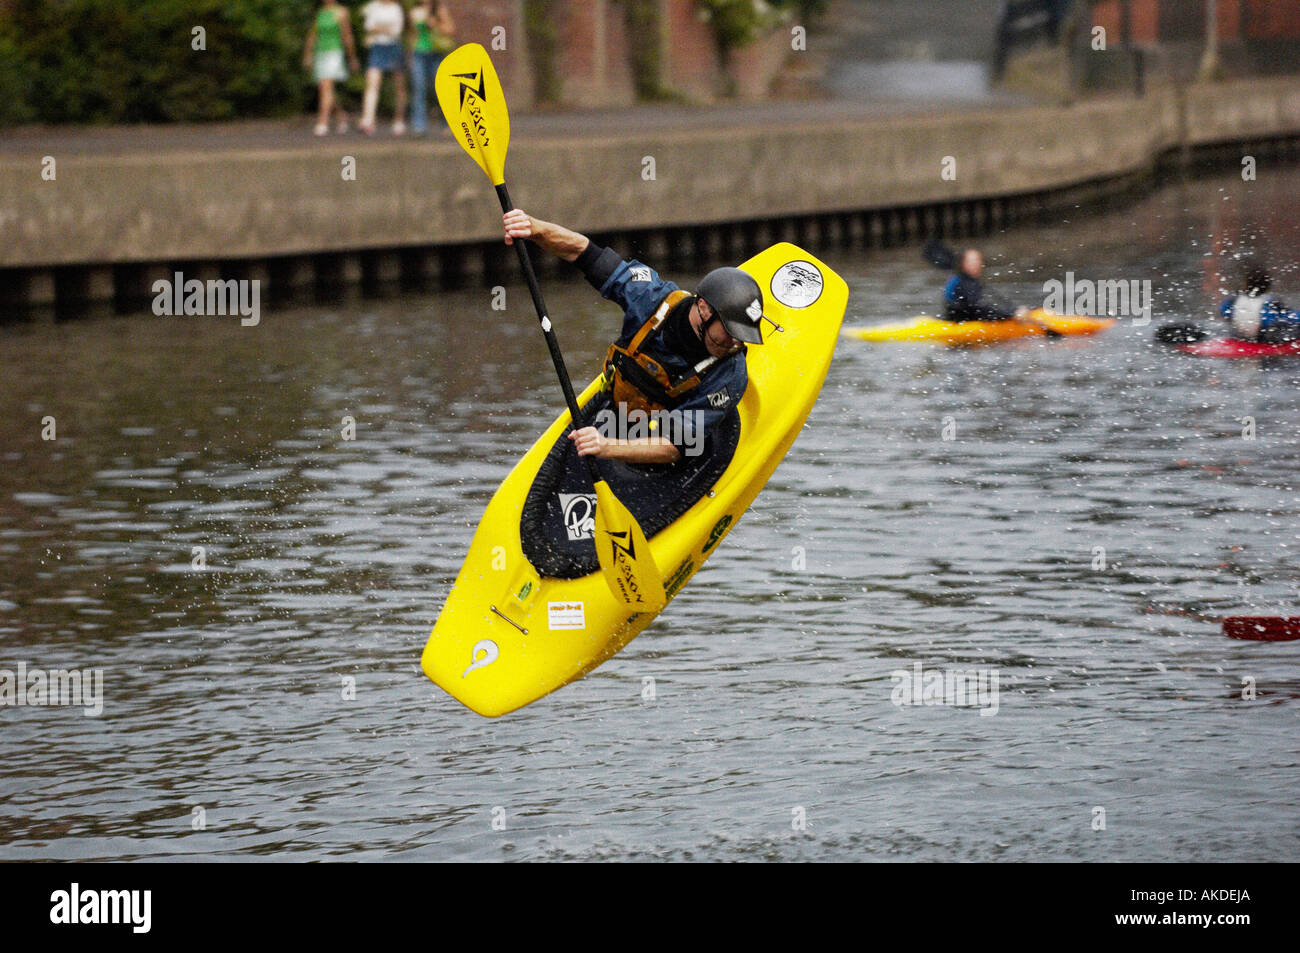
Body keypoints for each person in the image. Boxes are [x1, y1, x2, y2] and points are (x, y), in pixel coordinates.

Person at [502, 209, 768, 465]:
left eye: (743, 336)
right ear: (704, 309)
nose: (738, 344)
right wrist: (535, 228)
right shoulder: (649, 297)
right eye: (732, 332)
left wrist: (606, 447)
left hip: (676, 455)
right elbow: (584, 253)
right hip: (617, 415)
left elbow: (676, 446)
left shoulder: (730, 374)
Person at [303, 0, 361, 137]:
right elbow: (313, 34)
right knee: (325, 89)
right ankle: (341, 117)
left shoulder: (341, 12)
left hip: (334, 52)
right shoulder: (321, 13)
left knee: (326, 86)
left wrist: (352, 57)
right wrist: (308, 54)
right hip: (320, 52)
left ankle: (322, 122)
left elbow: (347, 35)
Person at [1219, 262, 1300, 343]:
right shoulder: (1269, 301)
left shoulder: (1234, 300)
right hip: (1263, 340)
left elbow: (1224, 311)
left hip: (1238, 337)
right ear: (1267, 285)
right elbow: (1284, 318)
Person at [359, 0, 408, 136]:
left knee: (398, 86)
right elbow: (368, 26)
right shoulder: (374, 6)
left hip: (394, 48)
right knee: (372, 84)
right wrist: (385, 28)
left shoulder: (397, 8)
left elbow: (396, 31)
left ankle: (399, 120)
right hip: (377, 48)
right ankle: (368, 120)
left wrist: (379, 28)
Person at [943, 248, 1029, 323]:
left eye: (977, 260)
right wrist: (1010, 315)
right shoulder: (965, 284)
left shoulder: (968, 280)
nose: (975, 264)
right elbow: (978, 309)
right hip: (961, 323)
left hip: (962, 319)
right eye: (971, 261)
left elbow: (998, 300)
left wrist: (1014, 309)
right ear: (962, 264)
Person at [409, 1, 456, 137]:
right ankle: (419, 126)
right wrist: (411, 56)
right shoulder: (415, 12)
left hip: (436, 54)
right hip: (419, 53)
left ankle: (447, 124)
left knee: (440, 90)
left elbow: (451, 30)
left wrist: (435, 24)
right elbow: (413, 35)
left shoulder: (440, 11)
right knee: (419, 88)